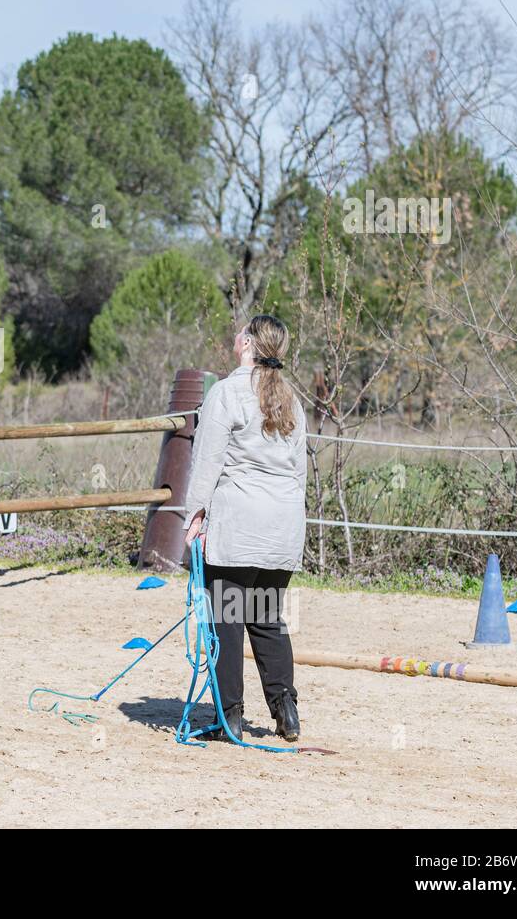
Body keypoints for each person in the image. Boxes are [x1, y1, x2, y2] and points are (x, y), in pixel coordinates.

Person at [182, 314, 307, 743]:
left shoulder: (226, 393)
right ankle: (286, 711)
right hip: (282, 526)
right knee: (267, 618)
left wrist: (194, 516)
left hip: (239, 526)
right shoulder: (291, 397)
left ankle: (228, 717)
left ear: (248, 345)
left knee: (226, 621)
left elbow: (207, 463)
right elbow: (300, 472)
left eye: (242, 333)